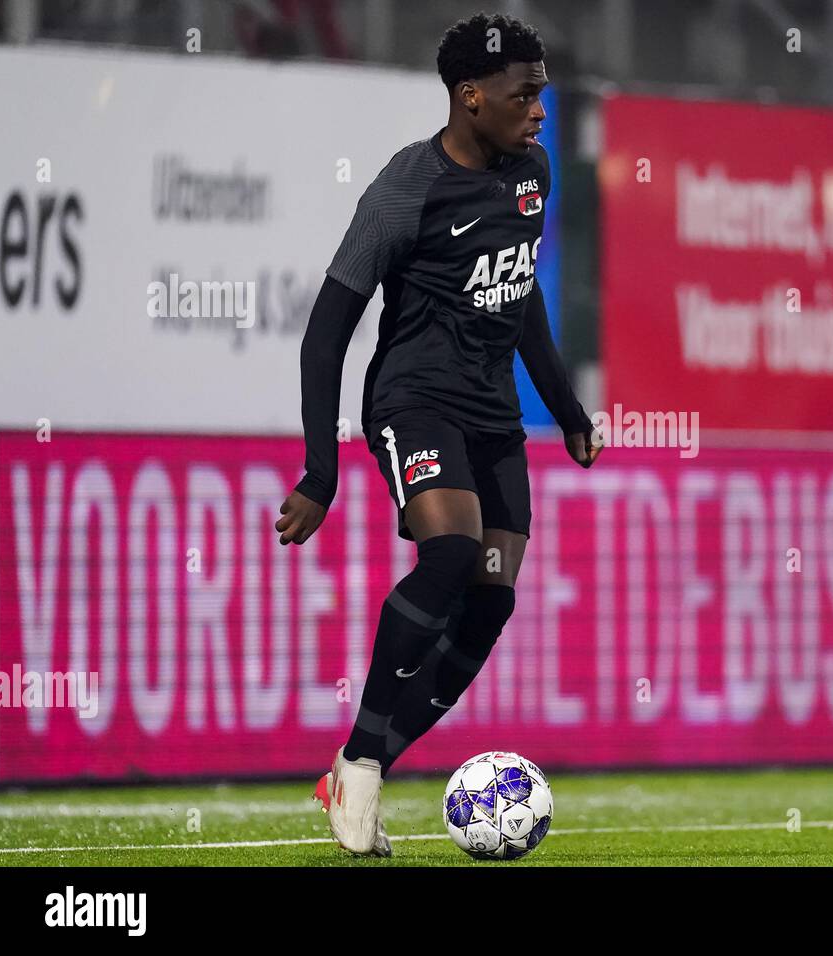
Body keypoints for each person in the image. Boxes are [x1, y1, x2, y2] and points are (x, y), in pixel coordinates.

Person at [275, 12, 601, 857]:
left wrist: (566, 410)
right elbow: (326, 331)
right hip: (414, 402)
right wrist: (322, 472)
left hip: (494, 414)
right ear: (470, 97)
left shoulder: (533, 171)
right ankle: (363, 773)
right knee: (452, 554)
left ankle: (360, 761)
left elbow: (520, 294)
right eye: (524, 93)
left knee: (491, 597)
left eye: (542, 89)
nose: (540, 106)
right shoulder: (402, 191)